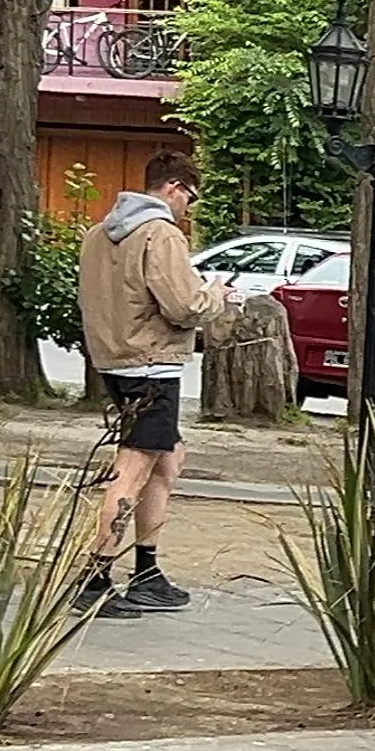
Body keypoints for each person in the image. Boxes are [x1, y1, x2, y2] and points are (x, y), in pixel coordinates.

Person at [75, 150, 230, 617]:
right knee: (134, 469)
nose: (190, 208)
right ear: (175, 187)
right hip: (152, 365)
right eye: (192, 197)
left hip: (114, 360)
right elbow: (182, 306)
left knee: (168, 459)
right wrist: (215, 295)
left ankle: (147, 572)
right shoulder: (161, 234)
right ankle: (94, 578)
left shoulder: (98, 235)